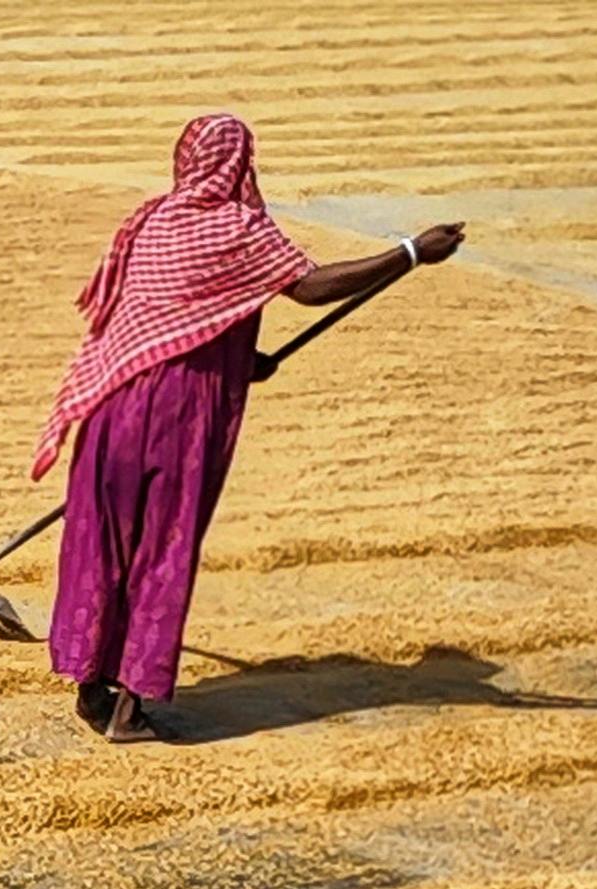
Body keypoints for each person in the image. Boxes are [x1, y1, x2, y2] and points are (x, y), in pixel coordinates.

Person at [32, 117, 458, 743]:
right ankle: (129, 711)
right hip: (177, 413)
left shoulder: (150, 221)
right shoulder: (240, 229)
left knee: (101, 540)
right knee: (161, 546)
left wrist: (237, 359)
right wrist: (410, 253)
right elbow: (311, 289)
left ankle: (91, 690)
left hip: (112, 403)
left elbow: (163, 317)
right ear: (240, 164)